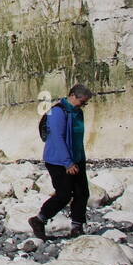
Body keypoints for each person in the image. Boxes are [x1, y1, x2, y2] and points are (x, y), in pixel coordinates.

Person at [30, 84, 93, 239]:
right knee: (64, 195)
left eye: (85, 103)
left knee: (82, 193)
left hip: (76, 159)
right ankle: (39, 220)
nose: (83, 105)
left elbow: (77, 137)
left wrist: (79, 158)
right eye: (82, 102)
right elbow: (57, 138)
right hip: (58, 160)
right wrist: (67, 162)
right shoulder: (57, 112)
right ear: (72, 96)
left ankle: (77, 227)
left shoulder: (77, 112)